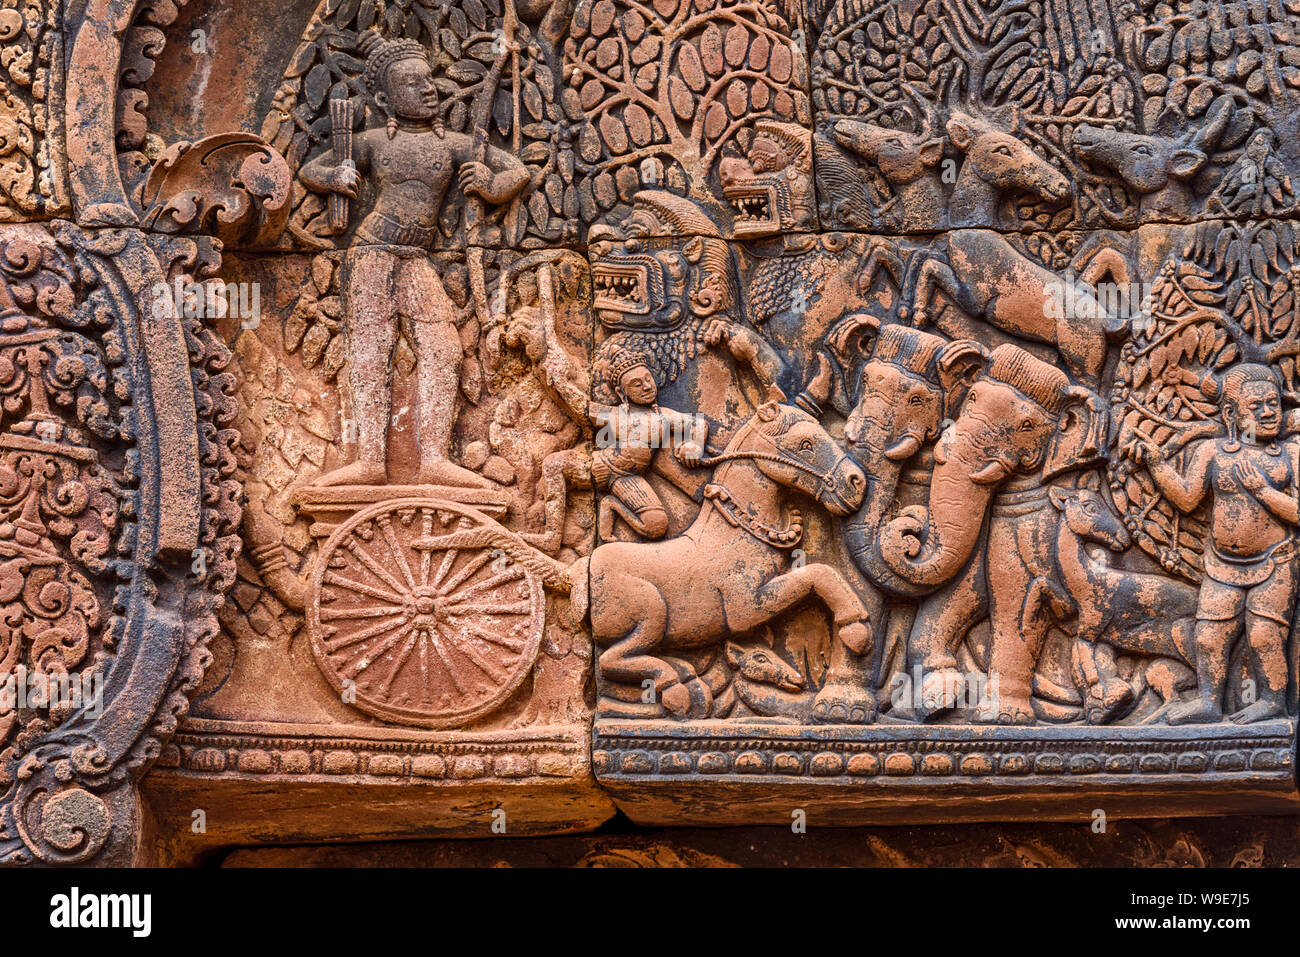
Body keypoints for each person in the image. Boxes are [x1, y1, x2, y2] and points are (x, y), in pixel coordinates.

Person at [300, 31, 529, 488]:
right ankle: (368, 462)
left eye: (429, 81)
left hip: (415, 254)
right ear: (385, 99)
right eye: (412, 84)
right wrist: (337, 177)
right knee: (371, 348)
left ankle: (434, 460)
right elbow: (310, 170)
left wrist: (487, 182)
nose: (427, 90)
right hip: (371, 250)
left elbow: (518, 171)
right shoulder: (370, 142)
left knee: (443, 347)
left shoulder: (454, 144)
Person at [1131, 363, 1299, 724]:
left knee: (1263, 635)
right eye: (1256, 407)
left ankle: (1272, 701)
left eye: (1274, 404)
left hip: (1276, 562)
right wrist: (1158, 464)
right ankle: (1210, 701)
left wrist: (1263, 492)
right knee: (1208, 636)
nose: (1269, 412)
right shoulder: (1213, 452)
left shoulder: (1290, 455)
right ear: (1230, 414)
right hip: (1222, 565)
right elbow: (1188, 499)